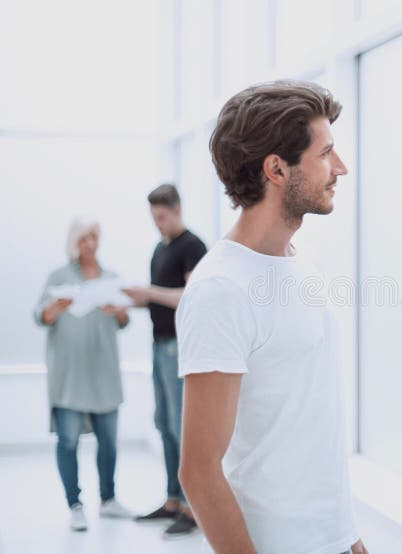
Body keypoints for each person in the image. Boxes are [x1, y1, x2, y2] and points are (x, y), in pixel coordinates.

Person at [176, 81, 367, 554]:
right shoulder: (221, 289)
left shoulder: (295, 262)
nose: (340, 168)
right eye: (326, 154)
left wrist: (349, 538)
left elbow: (308, 421)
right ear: (277, 168)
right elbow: (198, 470)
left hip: (334, 540)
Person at [34, 217, 133, 531]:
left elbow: (124, 320)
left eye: (94, 237)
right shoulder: (58, 277)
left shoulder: (111, 278)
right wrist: (55, 308)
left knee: (109, 442)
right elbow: (41, 316)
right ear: (73, 242)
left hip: (103, 375)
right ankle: (74, 504)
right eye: (83, 238)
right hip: (69, 378)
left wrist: (118, 310)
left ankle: (108, 499)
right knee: (68, 442)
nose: (89, 244)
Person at [123, 184, 207, 538]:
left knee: (180, 426)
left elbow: (192, 296)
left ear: (176, 209)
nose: (157, 224)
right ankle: (172, 500)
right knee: (164, 426)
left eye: (161, 216)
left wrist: (149, 292)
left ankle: (191, 507)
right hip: (158, 346)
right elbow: (159, 298)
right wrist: (129, 301)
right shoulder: (160, 249)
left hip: (179, 347)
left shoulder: (193, 247)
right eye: (153, 218)